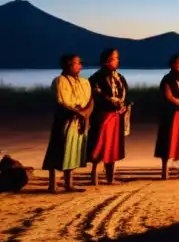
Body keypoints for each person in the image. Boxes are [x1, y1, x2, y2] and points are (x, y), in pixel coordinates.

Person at [42, 54, 93, 193]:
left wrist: (85, 113)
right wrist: (76, 111)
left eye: (80, 63)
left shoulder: (84, 82)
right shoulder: (60, 81)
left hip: (80, 120)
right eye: (77, 63)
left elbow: (90, 100)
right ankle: (52, 184)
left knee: (74, 150)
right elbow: (62, 100)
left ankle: (69, 183)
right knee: (58, 149)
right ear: (68, 65)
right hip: (65, 119)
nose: (80, 66)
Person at [88, 48, 128, 186]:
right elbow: (96, 96)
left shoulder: (119, 77)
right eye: (114, 58)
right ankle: (94, 177)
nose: (117, 60)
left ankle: (110, 178)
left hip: (116, 117)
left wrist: (123, 106)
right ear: (106, 60)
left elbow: (124, 94)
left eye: (117, 58)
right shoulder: (96, 78)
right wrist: (112, 104)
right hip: (103, 116)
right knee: (99, 144)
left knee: (113, 145)